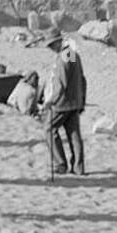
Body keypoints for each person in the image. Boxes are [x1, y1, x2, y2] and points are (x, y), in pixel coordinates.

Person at [42, 27, 87, 175]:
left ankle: (61, 164)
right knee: (74, 135)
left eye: (50, 45)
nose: (50, 49)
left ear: (56, 43)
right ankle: (78, 167)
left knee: (49, 129)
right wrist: (82, 100)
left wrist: (50, 102)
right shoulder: (73, 54)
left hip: (63, 103)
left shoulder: (63, 57)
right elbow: (81, 79)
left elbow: (61, 83)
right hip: (75, 101)